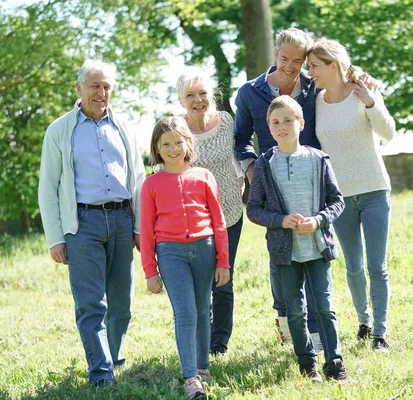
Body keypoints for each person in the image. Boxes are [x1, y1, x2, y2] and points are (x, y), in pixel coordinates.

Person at [38, 58, 146, 387]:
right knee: (90, 304)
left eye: (106, 87)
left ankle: (115, 359)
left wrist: (139, 226)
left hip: (122, 219)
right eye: (95, 86)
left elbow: (138, 177)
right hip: (82, 224)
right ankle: (101, 375)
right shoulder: (59, 130)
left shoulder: (124, 125)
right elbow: (48, 187)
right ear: (79, 88)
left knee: (122, 301)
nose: (101, 92)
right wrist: (56, 238)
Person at [246, 95, 347, 382]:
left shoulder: (319, 159)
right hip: (285, 251)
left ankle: (335, 364)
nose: (282, 126)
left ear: (301, 124)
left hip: (317, 246)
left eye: (288, 120)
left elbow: (336, 201)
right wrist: (280, 220)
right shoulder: (265, 165)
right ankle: (307, 363)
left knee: (325, 307)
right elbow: (253, 209)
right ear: (267, 127)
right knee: (294, 309)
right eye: (275, 122)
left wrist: (318, 220)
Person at [307, 38, 396, 352]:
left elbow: (388, 132)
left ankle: (381, 334)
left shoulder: (363, 91)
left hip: (373, 189)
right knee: (354, 266)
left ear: (333, 65)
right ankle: (364, 321)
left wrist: (371, 102)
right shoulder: (315, 101)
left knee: (377, 266)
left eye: (314, 66)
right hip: (340, 198)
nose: (310, 72)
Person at [233, 27, 320, 347]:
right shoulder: (249, 92)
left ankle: (315, 326)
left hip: (311, 181)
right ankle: (285, 322)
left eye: (298, 61)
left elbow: (340, 79)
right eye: (285, 58)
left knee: (314, 250)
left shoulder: (313, 87)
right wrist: (253, 169)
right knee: (280, 252)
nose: (290, 66)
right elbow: (240, 138)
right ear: (275, 54)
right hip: (271, 184)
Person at [140, 117, 230, 399]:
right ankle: (190, 377)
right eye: (166, 143)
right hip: (170, 253)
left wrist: (223, 260)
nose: (173, 148)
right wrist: (149, 270)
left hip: (204, 248)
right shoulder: (151, 184)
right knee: (186, 313)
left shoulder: (204, 176)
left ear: (188, 143)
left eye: (178, 141)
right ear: (156, 148)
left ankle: (203, 367)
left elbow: (218, 221)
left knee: (204, 310)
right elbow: (145, 231)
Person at [176, 67, 244, 356]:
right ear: (181, 100)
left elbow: (239, 156)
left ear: (211, 96)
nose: (198, 100)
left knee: (223, 279)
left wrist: (240, 181)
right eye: (190, 95)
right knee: (199, 282)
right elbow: (162, 170)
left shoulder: (227, 121)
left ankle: (219, 344)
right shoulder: (174, 129)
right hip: (195, 220)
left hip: (229, 212)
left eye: (202, 93)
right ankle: (197, 339)